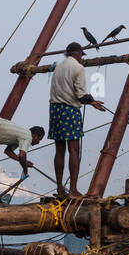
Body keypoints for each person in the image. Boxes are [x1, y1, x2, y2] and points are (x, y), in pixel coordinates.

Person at [49, 42, 106, 198]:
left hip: (55, 110)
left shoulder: (58, 66)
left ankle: (60, 189)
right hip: (69, 110)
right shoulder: (78, 68)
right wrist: (93, 102)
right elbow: (81, 96)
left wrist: (92, 101)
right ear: (78, 54)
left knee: (59, 151)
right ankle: (73, 190)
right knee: (74, 150)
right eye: (81, 55)